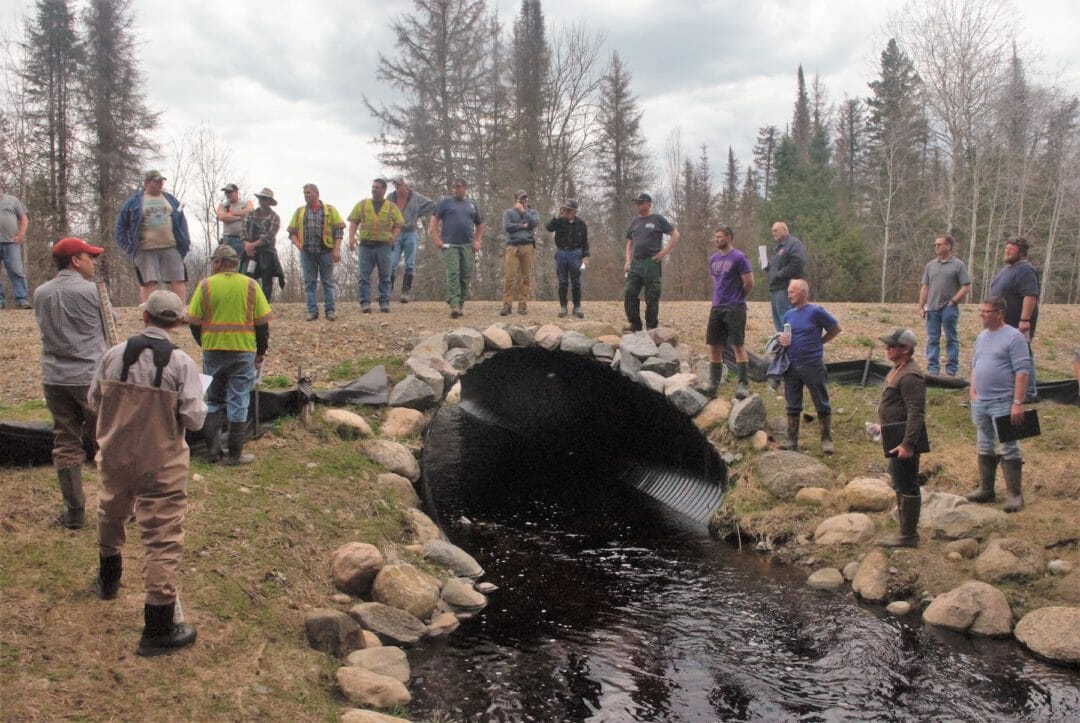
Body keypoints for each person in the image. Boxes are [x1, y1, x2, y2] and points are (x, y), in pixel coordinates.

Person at [88, 290, 205, 656]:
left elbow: (93, 400)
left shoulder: (112, 355)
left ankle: (108, 580)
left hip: (116, 454)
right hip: (161, 463)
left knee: (111, 510)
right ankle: (157, 627)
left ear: (144, 318)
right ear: (178, 323)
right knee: (162, 537)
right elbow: (195, 419)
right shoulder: (183, 364)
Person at [32, 237, 109, 528]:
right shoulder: (94, 292)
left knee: (65, 440)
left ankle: (74, 512)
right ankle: (121, 507)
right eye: (90, 257)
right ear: (75, 261)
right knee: (106, 439)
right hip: (90, 376)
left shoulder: (41, 293)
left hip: (54, 377)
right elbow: (110, 328)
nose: (94, 261)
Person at [187, 245, 273, 465]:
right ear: (235, 264)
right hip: (242, 351)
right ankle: (235, 455)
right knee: (239, 400)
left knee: (214, 400)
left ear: (218, 262)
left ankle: (213, 453)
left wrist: (204, 342)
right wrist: (261, 352)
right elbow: (262, 325)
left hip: (213, 351)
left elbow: (194, 322)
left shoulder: (205, 286)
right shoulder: (251, 286)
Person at [965, 296, 1030, 513]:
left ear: (999, 313)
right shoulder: (981, 337)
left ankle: (1014, 494)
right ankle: (986, 489)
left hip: (1003, 401)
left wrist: (1017, 402)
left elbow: (1022, 371)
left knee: (1009, 445)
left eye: (986, 311)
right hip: (981, 401)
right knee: (984, 443)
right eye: (980, 310)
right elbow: (975, 365)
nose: (981, 315)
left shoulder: (1014, 337)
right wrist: (973, 390)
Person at [873, 329, 927, 548]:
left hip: (903, 438)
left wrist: (908, 444)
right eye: (887, 345)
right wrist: (881, 426)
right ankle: (905, 531)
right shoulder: (899, 369)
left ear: (906, 349)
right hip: (893, 433)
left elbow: (917, 412)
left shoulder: (911, 375)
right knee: (899, 482)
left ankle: (908, 535)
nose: (887, 349)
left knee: (907, 484)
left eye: (892, 346)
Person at [778, 279, 841, 454]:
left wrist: (821, 342)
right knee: (792, 404)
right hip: (791, 366)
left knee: (821, 400)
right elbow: (785, 335)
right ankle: (792, 441)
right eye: (788, 291)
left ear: (803, 292)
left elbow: (835, 328)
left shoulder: (815, 312)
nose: (788, 294)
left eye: (792, 291)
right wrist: (782, 340)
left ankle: (826, 439)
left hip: (813, 364)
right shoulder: (788, 315)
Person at [115, 170, 191, 303]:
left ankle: (180, 311)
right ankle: (150, 312)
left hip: (171, 246)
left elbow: (181, 222)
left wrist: (185, 241)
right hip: (145, 248)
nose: (160, 184)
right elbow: (121, 226)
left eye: (161, 181)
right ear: (147, 183)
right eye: (156, 181)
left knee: (178, 279)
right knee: (148, 281)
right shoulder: (133, 202)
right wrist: (128, 246)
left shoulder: (171, 200)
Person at [706, 225, 754, 399]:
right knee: (714, 345)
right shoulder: (713, 259)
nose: (717, 239)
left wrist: (738, 297)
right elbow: (716, 281)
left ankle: (742, 384)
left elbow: (749, 282)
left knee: (737, 345)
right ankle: (713, 384)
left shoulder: (739, 257)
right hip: (717, 306)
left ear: (729, 238)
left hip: (735, 306)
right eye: (716, 236)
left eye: (720, 236)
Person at [989, 237, 1039, 401]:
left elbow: (1030, 295)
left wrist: (1024, 320)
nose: (1007, 250)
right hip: (1001, 323)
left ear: (1022, 252)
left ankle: (1029, 392)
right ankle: (1010, 388)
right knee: (1006, 355)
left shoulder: (1025, 270)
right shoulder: (1007, 269)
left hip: (1017, 323)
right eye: (1006, 247)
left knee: (1023, 354)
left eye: (1012, 248)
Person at [287, 183, 345, 321]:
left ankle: (330, 311)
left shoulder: (330, 210)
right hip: (307, 252)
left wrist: (336, 249)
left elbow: (339, 231)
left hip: (326, 251)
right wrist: (298, 244)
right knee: (309, 283)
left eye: (308, 192)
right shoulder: (299, 211)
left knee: (328, 282)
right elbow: (291, 232)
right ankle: (312, 311)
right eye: (304, 193)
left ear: (316, 194)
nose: (305, 195)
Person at [623, 192, 680, 332]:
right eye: (637, 203)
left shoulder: (657, 219)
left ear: (649, 204)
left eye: (641, 202)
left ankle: (651, 326)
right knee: (629, 292)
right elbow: (629, 243)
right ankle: (635, 324)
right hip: (636, 263)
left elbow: (675, 234)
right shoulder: (634, 222)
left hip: (651, 263)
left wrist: (664, 252)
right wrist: (628, 260)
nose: (638, 205)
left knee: (652, 295)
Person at [348, 178, 405, 313]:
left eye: (377, 187)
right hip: (365, 246)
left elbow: (399, 225)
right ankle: (365, 303)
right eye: (373, 187)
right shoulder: (362, 205)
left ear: (384, 190)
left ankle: (384, 302)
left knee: (385, 276)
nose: (374, 189)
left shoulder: (391, 207)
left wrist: (393, 238)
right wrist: (351, 238)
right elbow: (353, 222)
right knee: (364, 276)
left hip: (384, 246)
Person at [918, 234, 971, 376]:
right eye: (935, 244)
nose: (936, 247)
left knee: (951, 338)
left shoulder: (958, 265)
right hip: (932, 308)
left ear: (948, 246)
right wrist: (921, 306)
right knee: (932, 338)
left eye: (939, 244)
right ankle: (932, 370)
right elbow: (925, 287)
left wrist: (954, 301)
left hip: (949, 308)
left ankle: (951, 370)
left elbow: (966, 286)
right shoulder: (930, 265)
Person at [431, 178, 484, 319]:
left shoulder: (472, 204)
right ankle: (454, 305)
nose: (455, 189)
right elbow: (434, 219)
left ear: (465, 188)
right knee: (453, 273)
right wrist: (436, 238)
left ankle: (460, 305)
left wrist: (478, 241)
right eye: (453, 187)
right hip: (450, 245)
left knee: (465, 275)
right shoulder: (445, 202)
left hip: (468, 245)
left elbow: (480, 224)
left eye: (458, 187)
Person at [387, 176, 435, 303]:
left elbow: (431, 205)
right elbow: (384, 211)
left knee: (410, 263)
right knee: (392, 263)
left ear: (405, 185)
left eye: (399, 184)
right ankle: (386, 291)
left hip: (410, 232)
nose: (397, 187)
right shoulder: (391, 197)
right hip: (395, 233)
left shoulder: (415, 197)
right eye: (395, 185)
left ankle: (406, 292)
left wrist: (417, 214)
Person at [546, 198, 589, 319]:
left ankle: (577, 307)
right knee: (562, 281)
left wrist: (585, 257)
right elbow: (549, 227)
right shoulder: (559, 221)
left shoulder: (581, 224)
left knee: (576, 282)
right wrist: (557, 215)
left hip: (576, 253)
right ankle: (563, 307)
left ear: (574, 212)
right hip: (561, 253)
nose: (566, 212)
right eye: (565, 209)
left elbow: (585, 241)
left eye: (568, 210)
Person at [500, 190, 540, 316]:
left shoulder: (532, 212)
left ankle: (523, 305)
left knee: (526, 277)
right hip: (512, 246)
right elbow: (507, 227)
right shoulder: (508, 212)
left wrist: (523, 212)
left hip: (527, 246)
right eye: (521, 199)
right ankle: (507, 305)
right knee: (509, 276)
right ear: (516, 200)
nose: (523, 201)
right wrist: (523, 226)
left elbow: (534, 223)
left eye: (525, 198)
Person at [242, 187, 285, 302]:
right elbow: (243, 230)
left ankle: (265, 306)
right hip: (250, 253)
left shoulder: (275, 217)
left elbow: (270, 235)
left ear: (270, 202)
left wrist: (253, 245)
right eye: (261, 198)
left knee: (267, 281)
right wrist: (247, 245)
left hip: (267, 253)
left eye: (265, 199)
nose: (262, 201)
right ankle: (248, 304)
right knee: (246, 278)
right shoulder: (250, 214)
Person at [766, 221, 807, 332]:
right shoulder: (778, 248)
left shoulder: (793, 243)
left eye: (776, 230)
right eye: (772, 231)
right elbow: (775, 268)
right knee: (779, 321)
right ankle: (782, 345)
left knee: (787, 319)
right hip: (775, 288)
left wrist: (780, 275)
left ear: (785, 230)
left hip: (786, 288)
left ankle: (792, 344)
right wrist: (766, 266)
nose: (773, 233)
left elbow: (798, 262)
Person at [0, 182, 31, 309]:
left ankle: (22, 299)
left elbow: (24, 219)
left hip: (11, 243)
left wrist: (21, 235)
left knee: (16, 271)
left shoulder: (12, 200)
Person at [215, 183, 253, 257]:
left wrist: (230, 214)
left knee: (242, 265)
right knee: (228, 264)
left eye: (229, 192)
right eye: (226, 192)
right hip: (228, 240)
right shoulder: (222, 206)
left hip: (243, 240)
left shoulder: (247, 203)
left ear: (236, 192)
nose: (227, 194)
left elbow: (250, 211)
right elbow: (222, 217)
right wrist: (240, 217)